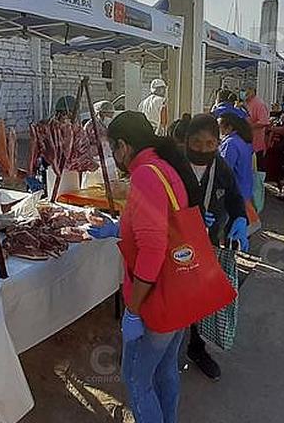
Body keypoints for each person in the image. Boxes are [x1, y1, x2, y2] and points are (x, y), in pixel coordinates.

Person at [86, 111, 202, 423]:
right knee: (164, 370)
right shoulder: (163, 167)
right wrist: (118, 228)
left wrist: (134, 309)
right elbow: (158, 225)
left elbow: (153, 249)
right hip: (180, 292)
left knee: (137, 380)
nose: (114, 155)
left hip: (158, 298)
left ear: (122, 145)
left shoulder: (146, 174)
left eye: (113, 148)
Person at [170, 113, 248, 380]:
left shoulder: (222, 167)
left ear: (218, 142)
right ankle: (164, 350)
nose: (203, 149)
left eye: (210, 143)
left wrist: (240, 218)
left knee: (197, 297)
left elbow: (236, 199)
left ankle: (196, 346)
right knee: (171, 296)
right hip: (174, 242)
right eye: (197, 143)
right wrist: (186, 216)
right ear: (186, 141)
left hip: (208, 243)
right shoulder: (174, 165)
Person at [218, 112, 255, 207]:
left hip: (235, 190)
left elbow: (225, 168)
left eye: (220, 126)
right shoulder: (243, 140)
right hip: (246, 188)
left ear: (229, 127)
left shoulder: (230, 143)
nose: (219, 130)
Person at [242, 87, 271, 172]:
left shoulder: (258, 104)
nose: (244, 93)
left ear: (252, 91)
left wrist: (249, 126)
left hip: (256, 144)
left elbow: (264, 122)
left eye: (246, 90)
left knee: (257, 171)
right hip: (248, 143)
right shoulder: (247, 103)